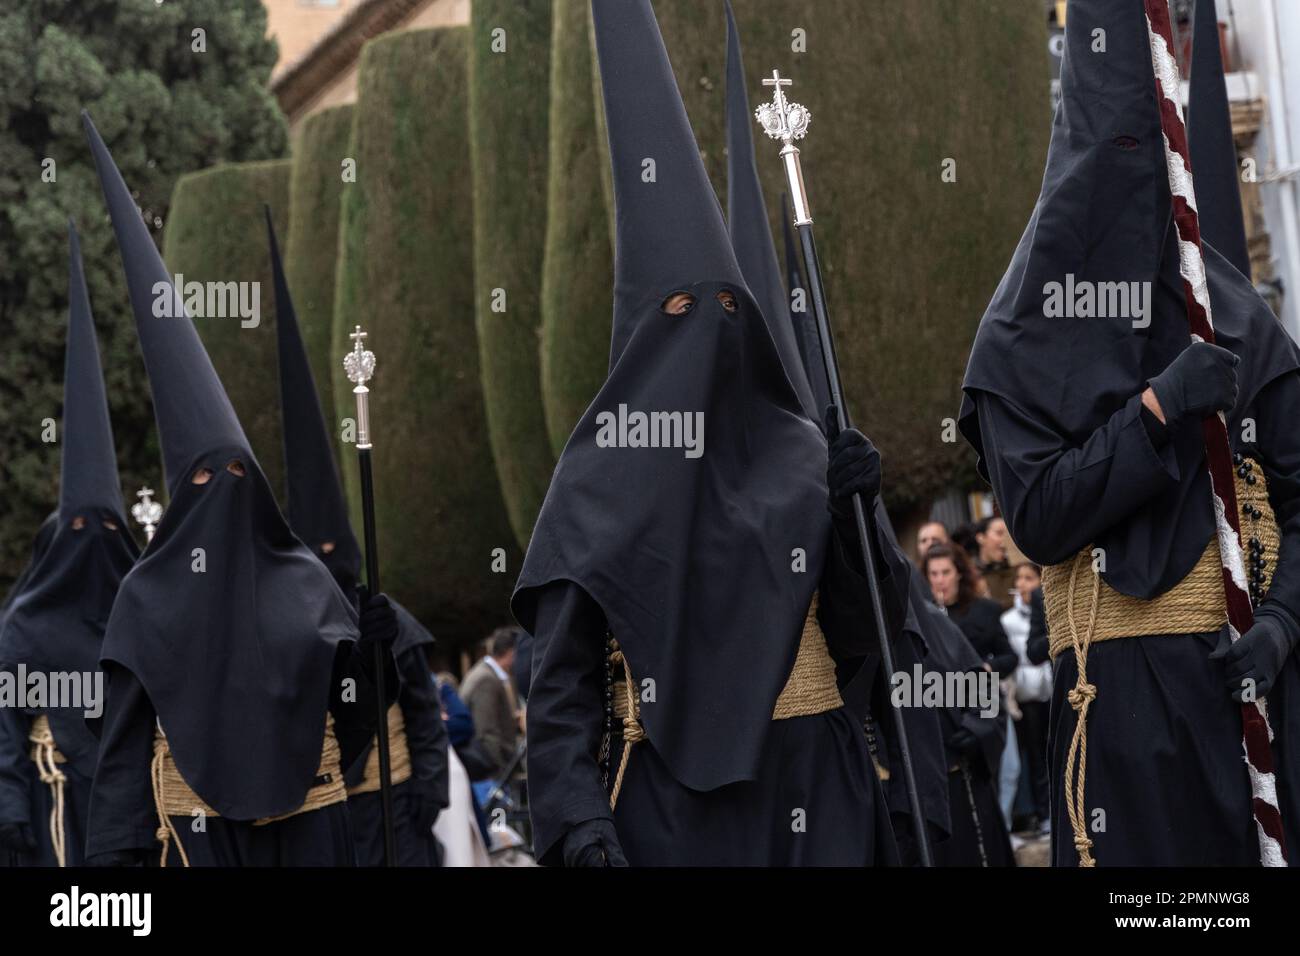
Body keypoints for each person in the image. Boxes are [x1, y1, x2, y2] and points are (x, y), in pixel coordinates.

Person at [511, 0, 905, 867]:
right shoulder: (597, 483)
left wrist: (856, 519)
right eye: (682, 312)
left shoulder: (804, 454)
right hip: (673, 813)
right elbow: (563, 683)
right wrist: (577, 820)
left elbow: (867, 632)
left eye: (726, 310)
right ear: (644, 336)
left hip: (817, 791)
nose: (706, 333)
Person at [958, 0, 1300, 865]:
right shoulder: (1017, 336)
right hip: (1115, 718)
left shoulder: (1237, 317)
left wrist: (1284, 623)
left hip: (1251, 692)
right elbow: (1038, 514)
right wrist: (1156, 412)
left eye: (1149, 156)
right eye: (1110, 159)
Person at [81, 113, 397, 867]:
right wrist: (112, 871)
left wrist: (372, 658)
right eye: (203, 481)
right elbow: (123, 760)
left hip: (315, 834)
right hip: (200, 844)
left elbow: (352, 728)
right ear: (181, 500)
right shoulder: (147, 603)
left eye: (234, 477)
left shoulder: (307, 583)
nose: (221, 492)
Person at [266, 209, 448, 866]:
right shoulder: (288, 627)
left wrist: (430, 787)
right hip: (333, 814)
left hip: (399, 807)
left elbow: (425, 712)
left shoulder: (387, 617)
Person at [0, 226, 139, 867]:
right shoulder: (24, 627)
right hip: (47, 806)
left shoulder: (140, 624)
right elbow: (2, 730)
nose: (93, 550)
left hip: (133, 815)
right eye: (79, 533)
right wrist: (6, 808)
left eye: (108, 533)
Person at [1001, 562, 1051, 833]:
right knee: (1035, 756)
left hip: (1049, 690)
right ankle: (1042, 813)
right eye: (1018, 578)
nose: (1022, 583)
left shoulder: (1046, 604)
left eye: (1029, 577)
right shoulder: (1007, 620)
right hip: (1026, 695)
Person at [459, 628, 523, 781]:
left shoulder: (492, 675)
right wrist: (501, 772)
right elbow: (486, 732)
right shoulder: (486, 680)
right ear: (510, 653)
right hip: (490, 770)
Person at [973, 517, 1015, 610]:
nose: (1005, 541)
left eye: (1008, 535)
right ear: (981, 538)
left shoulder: (1018, 571)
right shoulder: (970, 573)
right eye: (999, 533)